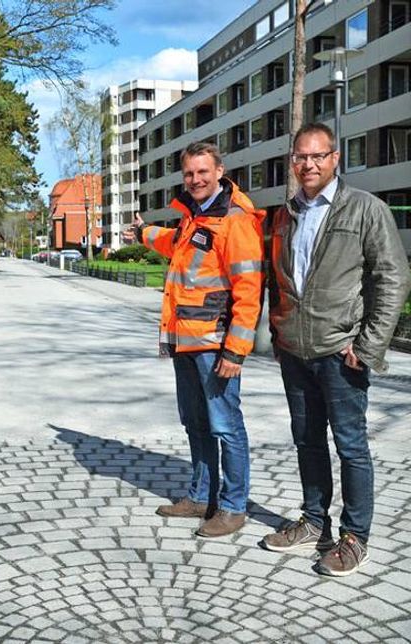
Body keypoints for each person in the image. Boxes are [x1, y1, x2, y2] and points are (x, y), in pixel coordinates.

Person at [263, 123, 410, 576]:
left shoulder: (366, 209)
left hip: (340, 352)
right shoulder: (285, 214)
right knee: (307, 440)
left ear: (335, 158)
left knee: (350, 447)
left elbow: (393, 279)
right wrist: (277, 332)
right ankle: (313, 522)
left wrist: (367, 347)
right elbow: (278, 278)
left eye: (318, 156)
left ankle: (354, 537)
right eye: (301, 157)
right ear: (293, 161)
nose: (308, 165)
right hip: (295, 350)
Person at [124, 141, 265, 539]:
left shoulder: (235, 220)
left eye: (203, 172)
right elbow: (174, 245)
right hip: (186, 341)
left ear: (220, 171)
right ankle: (202, 497)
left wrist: (236, 350)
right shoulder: (195, 216)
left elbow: (249, 289)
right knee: (196, 424)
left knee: (225, 426)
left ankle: (234, 507)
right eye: (189, 173)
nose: (196, 179)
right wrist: (143, 233)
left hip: (216, 345)